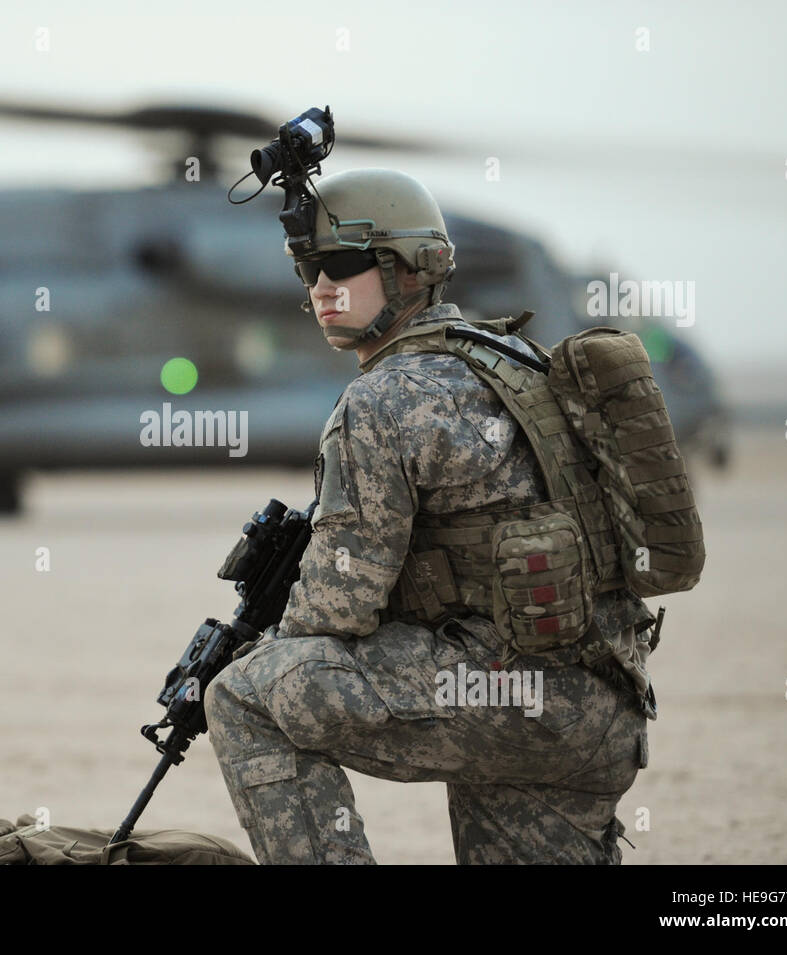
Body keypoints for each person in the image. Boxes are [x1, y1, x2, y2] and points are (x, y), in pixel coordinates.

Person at [204, 168, 658, 865]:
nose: (321, 286)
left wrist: (258, 644)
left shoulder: (380, 399)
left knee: (247, 696)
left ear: (410, 269)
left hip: (506, 698)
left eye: (344, 265)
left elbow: (337, 605)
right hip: (597, 709)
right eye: (308, 268)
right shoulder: (518, 363)